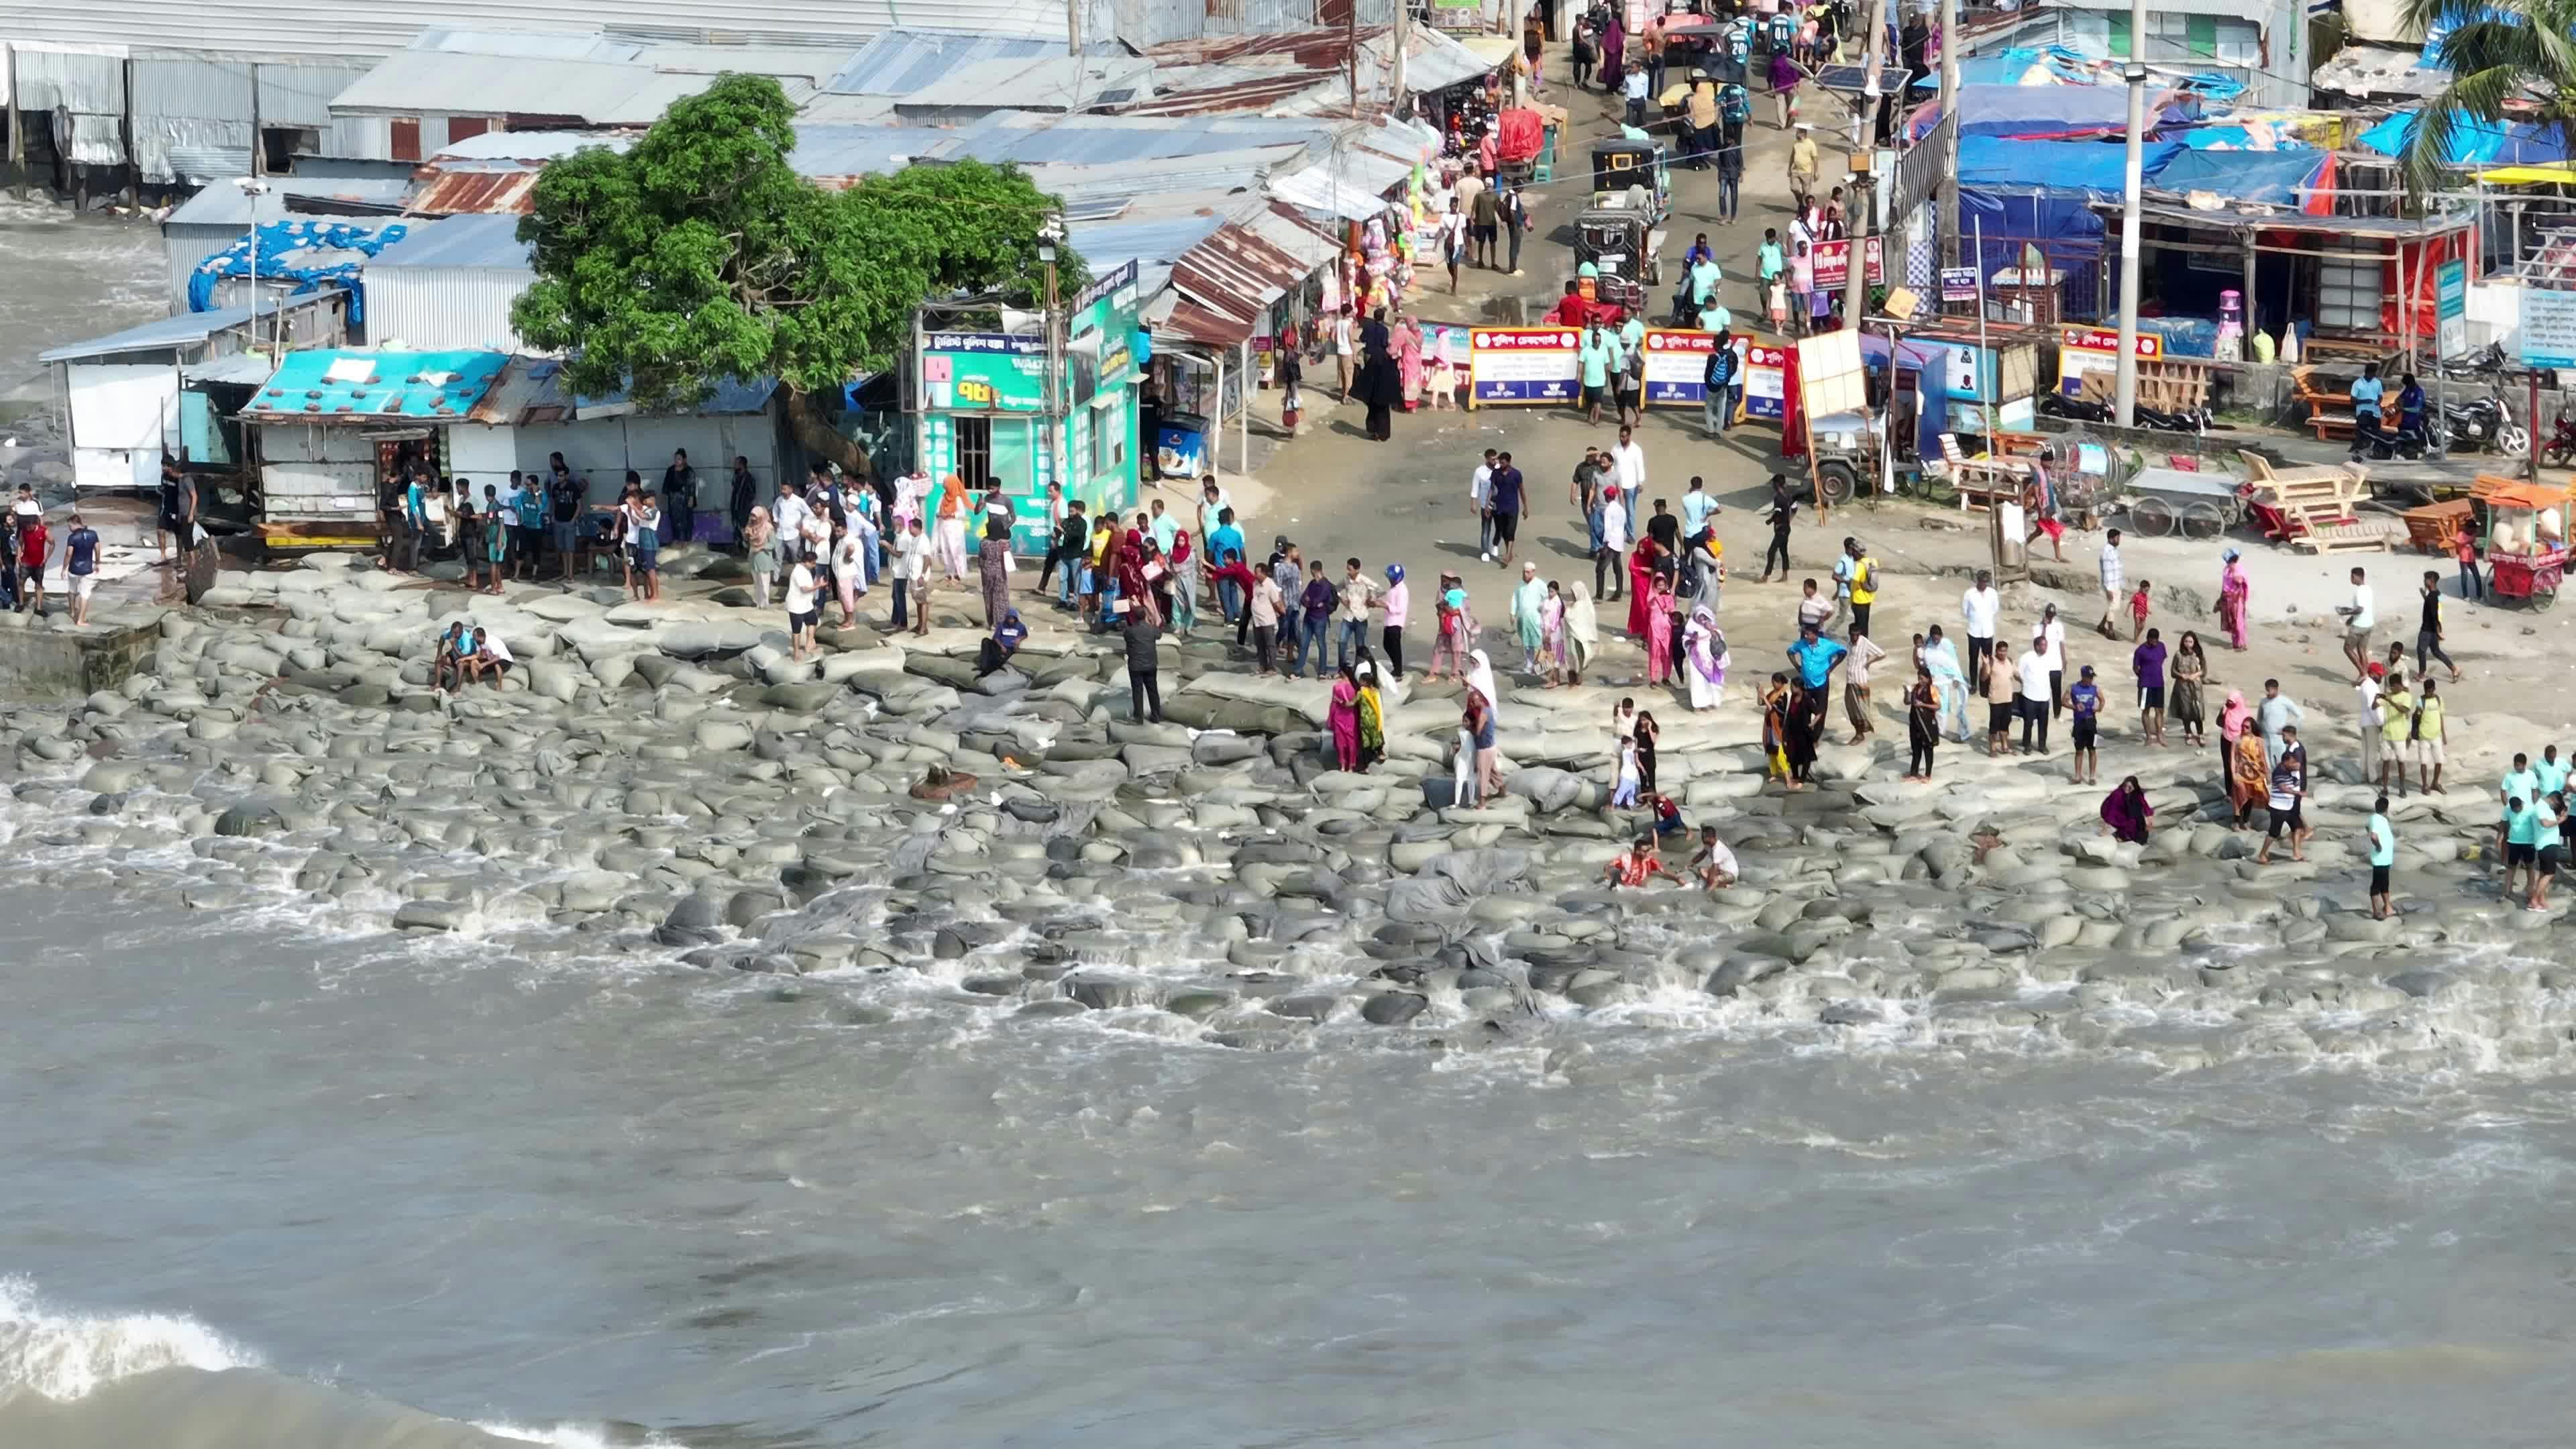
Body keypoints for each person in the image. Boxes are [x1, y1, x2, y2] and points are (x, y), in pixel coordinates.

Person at [2256, 725, 2311, 863]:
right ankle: (2262, 854)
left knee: (2297, 828)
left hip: (2289, 806)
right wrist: (2299, 792)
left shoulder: (2290, 762)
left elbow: (2297, 771)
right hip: (2279, 808)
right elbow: (2283, 788)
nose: (2297, 765)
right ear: (2286, 762)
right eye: (2293, 763)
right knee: (2274, 833)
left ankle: (2297, 854)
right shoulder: (2280, 772)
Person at [2222, 692, 2264, 827]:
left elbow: (2262, 757)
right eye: (2243, 727)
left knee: (2250, 797)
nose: (2244, 729)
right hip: (2240, 772)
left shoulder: (2258, 741)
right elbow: (2232, 758)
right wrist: (2234, 774)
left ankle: (2246, 820)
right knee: (2238, 796)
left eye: (2247, 727)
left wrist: (2265, 773)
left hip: (2253, 773)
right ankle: (2236, 821)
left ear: (2252, 728)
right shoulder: (2236, 740)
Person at [2416, 570, 2463, 681]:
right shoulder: (2437, 594)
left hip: (2427, 629)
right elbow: (2436, 609)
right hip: (2433, 629)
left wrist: (2438, 631)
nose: (2424, 581)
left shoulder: (2432, 597)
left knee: (2421, 650)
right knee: (2436, 652)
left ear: (2431, 581)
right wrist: (2425, 596)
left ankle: (2422, 674)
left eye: (2426, 579)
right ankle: (2454, 669)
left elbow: (2434, 614)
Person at [1959, 569, 2000, 692]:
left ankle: (1985, 684)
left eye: (1986, 582)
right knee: (1973, 659)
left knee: (1987, 661)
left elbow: (1995, 609)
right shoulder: (1969, 594)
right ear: (1978, 580)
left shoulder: (1992, 593)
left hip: (1988, 632)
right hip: (1974, 632)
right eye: (1982, 581)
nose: (1983, 584)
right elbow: (1965, 611)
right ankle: (1973, 684)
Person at [1122, 606, 1164, 724]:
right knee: (1153, 690)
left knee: (1137, 691)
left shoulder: (1130, 631)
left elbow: (1125, 636)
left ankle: (1139, 717)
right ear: (1145, 616)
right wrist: (1152, 622)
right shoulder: (1151, 629)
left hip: (1135, 666)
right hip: (1151, 665)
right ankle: (1156, 716)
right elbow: (1159, 635)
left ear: (1134, 618)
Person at [1842, 632, 1886, 743]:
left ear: (1859, 634)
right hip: (1850, 680)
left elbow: (1881, 654)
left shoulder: (1864, 642)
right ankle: (1860, 730)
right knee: (1851, 708)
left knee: (1860, 709)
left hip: (1860, 682)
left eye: (1856, 635)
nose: (1854, 638)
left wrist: (1868, 662)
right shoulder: (1850, 643)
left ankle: (1860, 734)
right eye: (1852, 635)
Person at [2377, 672, 2414, 798]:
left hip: (2399, 736)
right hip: (2387, 735)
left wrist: (2390, 700)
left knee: (2401, 763)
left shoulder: (2406, 696)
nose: (2391, 688)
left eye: (2393, 686)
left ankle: (2402, 788)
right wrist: (2376, 698)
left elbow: (2403, 710)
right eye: (2390, 686)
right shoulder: (2388, 696)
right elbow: (2374, 706)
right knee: (2386, 762)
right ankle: (2385, 788)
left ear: (2400, 685)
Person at [2335, 565, 2375, 681]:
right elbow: (2364, 608)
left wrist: (2345, 612)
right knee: (2361, 650)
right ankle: (2366, 675)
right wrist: (2351, 618)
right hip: (2369, 625)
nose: (2351, 579)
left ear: (2355, 576)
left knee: (2347, 649)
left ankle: (2363, 673)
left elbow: (2360, 609)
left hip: (2359, 626)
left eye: (2351, 576)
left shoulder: (2359, 592)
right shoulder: (2368, 588)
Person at [2014, 633, 2052, 754]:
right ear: (2036, 646)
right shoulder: (2027, 657)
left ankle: (2042, 746)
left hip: (2044, 697)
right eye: (2043, 645)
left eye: (2046, 645)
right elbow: (2018, 674)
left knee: (2043, 723)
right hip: (2029, 696)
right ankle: (2027, 745)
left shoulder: (2048, 658)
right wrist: (2025, 684)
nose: (2045, 647)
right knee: (2028, 722)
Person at [1684, 607, 1727, 710]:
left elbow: (1720, 643)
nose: (1703, 619)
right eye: (1700, 617)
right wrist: (1691, 641)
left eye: (1705, 617)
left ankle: (1710, 702)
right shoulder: (1691, 626)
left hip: (1710, 657)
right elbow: (1685, 639)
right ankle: (1698, 705)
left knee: (1710, 682)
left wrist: (1712, 631)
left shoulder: (1713, 627)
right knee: (1697, 681)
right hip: (1696, 657)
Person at [2132, 628, 2169, 747]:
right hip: (2144, 686)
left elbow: (2162, 659)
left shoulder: (2161, 646)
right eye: (2153, 639)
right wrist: (2143, 676)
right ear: (2148, 638)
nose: (2155, 642)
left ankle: (2159, 735)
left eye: (2156, 639)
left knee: (2160, 710)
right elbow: (2135, 668)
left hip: (2159, 684)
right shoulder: (2140, 651)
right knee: (2145, 710)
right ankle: (2148, 736)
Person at [1488, 451, 1525, 567]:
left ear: (1509, 462)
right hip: (1499, 507)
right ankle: (1509, 553)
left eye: (1503, 462)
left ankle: (1507, 555)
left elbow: (1522, 491)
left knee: (1511, 530)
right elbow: (1491, 489)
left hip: (1513, 507)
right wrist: (1487, 505)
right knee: (1503, 531)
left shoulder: (1516, 474)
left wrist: (1526, 507)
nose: (1501, 464)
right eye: (1500, 462)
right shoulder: (1495, 473)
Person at [2171, 631, 2208, 747]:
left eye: (2191, 642)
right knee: (2185, 711)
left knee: (2198, 710)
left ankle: (2200, 734)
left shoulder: (2199, 654)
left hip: (2196, 687)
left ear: (2194, 643)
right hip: (2182, 687)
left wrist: (2195, 675)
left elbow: (2205, 670)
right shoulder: (2178, 654)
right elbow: (2173, 671)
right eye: (2186, 641)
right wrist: (2182, 676)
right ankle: (2188, 733)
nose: (2188, 644)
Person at [893, 517, 929, 635]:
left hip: (919, 575)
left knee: (922, 601)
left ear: (916, 527)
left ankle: (924, 628)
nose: (909, 530)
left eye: (911, 527)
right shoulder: (914, 539)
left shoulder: (924, 540)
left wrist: (922, 576)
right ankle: (919, 625)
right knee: (917, 601)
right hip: (913, 575)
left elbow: (927, 559)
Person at [2068, 664, 2104, 784]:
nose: (2091, 680)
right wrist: (2074, 706)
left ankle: (2092, 777)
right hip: (2079, 723)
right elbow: (2063, 701)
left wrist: (2098, 709)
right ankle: (2078, 776)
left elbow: (2102, 700)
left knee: (2092, 750)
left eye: (2092, 677)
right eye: (2089, 677)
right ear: (2083, 676)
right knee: (2079, 750)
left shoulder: (2095, 688)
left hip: (2091, 723)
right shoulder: (2073, 688)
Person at [1902, 664, 1940, 781]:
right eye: (1919, 678)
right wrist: (1907, 693)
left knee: (1928, 748)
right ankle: (1914, 773)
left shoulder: (1933, 690)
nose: (1920, 681)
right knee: (1916, 748)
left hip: (1927, 723)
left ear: (1928, 679)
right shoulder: (1915, 687)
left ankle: (1928, 775)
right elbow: (1907, 702)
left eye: (1922, 679)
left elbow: (1938, 706)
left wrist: (1923, 705)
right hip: (1915, 723)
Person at [1595, 484, 1630, 602]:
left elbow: (1608, 528)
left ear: (1606, 497)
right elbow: (1624, 525)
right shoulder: (1621, 509)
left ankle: (1599, 595)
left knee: (1600, 569)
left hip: (1611, 543)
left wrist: (1605, 544)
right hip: (1619, 542)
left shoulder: (1609, 510)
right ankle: (1618, 593)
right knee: (1617, 568)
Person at [2412, 677, 2449, 793]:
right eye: (2427, 691)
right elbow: (2416, 718)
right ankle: (2424, 786)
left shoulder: (2439, 699)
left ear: (2434, 689)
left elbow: (2441, 716)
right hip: (2424, 737)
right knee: (2424, 762)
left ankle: (2435, 783)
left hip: (2436, 736)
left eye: (2430, 691)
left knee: (2439, 761)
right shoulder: (2420, 701)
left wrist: (2444, 734)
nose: (2428, 693)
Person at [2256, 678, 2303, 767]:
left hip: (2279, 740)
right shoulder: (2263, 702)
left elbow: (2300, 716)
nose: (2269, 692)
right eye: (2267, 690)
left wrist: (2288, 731)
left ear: (2276, 689)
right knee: (2267, 766)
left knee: (2282, 766)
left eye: (2270, 690)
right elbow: (2259, 720)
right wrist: (2260, 734)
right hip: (2266, 740)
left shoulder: (2284, 701)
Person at [1510, 561, 1547, 674]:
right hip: (1523, 619)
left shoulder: (1540, 584)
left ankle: (1541, 666)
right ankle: (1529, 664)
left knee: (1537, 643)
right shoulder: (1520, 585)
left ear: (1533, 572)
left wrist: (1542, 608)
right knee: (1526, 644)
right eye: (1524, 572)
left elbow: (1547, 598)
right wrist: (1512, 613)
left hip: (1535, 619)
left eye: (1528, 572)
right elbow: (1515, 598)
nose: (1525, 574)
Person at [784, 551, 820, 663]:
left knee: (813, 621)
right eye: (813, 563)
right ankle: (796, 652)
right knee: (797, 630)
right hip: (796, 606)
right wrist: (819, 585)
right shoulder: (798, 572)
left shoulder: (806, 570)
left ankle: (810, 643)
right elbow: (804, 589)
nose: (814, 566)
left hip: (807, 604)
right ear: (806, 562)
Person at [1643, 570, 1678, 684]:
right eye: (1658, 585)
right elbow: (1649, 603)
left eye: (1662, 585)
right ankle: (1653, 679)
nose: (1660, 587)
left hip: (1667, 629)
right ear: (1654, 586)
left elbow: (1672, 610)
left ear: (1666, 585)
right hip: (1654, 629)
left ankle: (1666, 677)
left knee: (1668, 653)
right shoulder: (1652, 597)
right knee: (1654, 653)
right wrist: (1658, 597)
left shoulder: (1670, 598)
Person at [2366, 796, 2398, 919]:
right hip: (2380, 859)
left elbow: (2369, 829)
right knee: (2376, 886)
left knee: (2385, 885)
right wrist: (2378, 846)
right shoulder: (2377, 819)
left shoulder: (2379, 819)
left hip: (2385, 859)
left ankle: (2388, 908)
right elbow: (2373, 836)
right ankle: (2376, 911)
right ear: (2387, 809)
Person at [2346, 361, 2385, 461]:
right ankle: (2355, 452)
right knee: (2363, 433)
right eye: (2374, 373)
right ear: (2369, 373)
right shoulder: (2358, 383)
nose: (2375, 375)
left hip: (2375, 413)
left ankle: (2375, 453)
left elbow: (2380, 396)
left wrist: (2379, 401)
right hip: (2363, 412)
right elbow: (2352, 401)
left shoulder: (2378, 383)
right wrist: (2365, 401)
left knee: (2376, 434)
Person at [1605, 835, 1678, 888]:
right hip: (1625, 886)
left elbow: (1664, 872)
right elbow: (1607, 866)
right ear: (1637, 851)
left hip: (1640, 885)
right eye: (1645, 851)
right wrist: (1607, 876)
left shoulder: (1650, 861)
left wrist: (1677, 878)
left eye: (1648, 850)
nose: (1648, 853)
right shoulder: (1626, 859)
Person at [1565, 580, 1600, 687]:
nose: (1572, 595)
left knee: (1577, 658)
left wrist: (1567, 609)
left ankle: (1577, 679)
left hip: (1577, 637)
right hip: (1583, 636)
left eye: (1573, 592)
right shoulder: (1587, 604)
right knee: (1579, 659)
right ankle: (1578, 678)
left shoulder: (1578, 605)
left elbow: (1570, 617)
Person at [659, 449, 696, 547]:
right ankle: (676, 540)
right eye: (676, 459)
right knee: (674, 520)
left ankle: (686, 542)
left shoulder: (689, 471)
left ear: (684, 459)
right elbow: (666, 484)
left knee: (686, 521)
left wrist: (691, 498)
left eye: (679, 459)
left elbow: (692, 485)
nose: (677, 461)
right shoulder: (670, 470)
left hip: (685, 500)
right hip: (673, 501)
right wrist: (663, 497)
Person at [2100, 776, 2153, 845]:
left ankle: (2130, 836)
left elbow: (2144, 804)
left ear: (2135, 787)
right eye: (2125, 786)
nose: (2127, 788)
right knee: (2131, 824)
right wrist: (2106, 825)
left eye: (2130, 787)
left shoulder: (2137, 793)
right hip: (2113, 812)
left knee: (2141, 827)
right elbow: (2111, 809)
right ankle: (2121, 836)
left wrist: (2149, 819)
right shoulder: (2118, 794)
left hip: (2126, 812)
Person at [978, 607, 1029, 678]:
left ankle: (986, 671)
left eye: (1012, 618)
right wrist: (1002, 646)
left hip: (1009, 649)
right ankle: (983, 666)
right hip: (1000, 646)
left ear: (1016, 619)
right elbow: (996, 638)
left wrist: (1019, 639)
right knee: (985, 641)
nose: (1010, 620)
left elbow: (1025, 635)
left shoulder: (1021, 627)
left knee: (999, 659)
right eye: (1009, 618)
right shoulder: (1002, 625)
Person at [2094, 527, 2127, 637]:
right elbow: (2107, 571)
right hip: (2111, 585)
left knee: (2112, 607)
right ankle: (2110, 631)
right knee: (2112, 608)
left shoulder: (2114, 550)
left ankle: (2101, 626)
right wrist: (2108, 590)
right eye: (2118, 538)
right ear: (2112, 539)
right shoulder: (2107, 552)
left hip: (2116, 584)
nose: (2119, 540)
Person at [2218, 547, 2251, 650]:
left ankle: (2242, 643)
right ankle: (2235, 643)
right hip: (2228, 599)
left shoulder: (2239, 569)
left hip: (2237, 599)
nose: (2228, 563)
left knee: (2239, 621)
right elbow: (2224, 585)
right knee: (2232, 621)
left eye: (2229, 561)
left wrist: (2233, 572)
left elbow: (2240, 581)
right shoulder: (2225, 569)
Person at [1690, 826, 1739, 891]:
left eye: (1704, 837)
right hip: (1720, 871)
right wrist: (1691, 863)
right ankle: (1724, 886)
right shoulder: (1708, 845)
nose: (1702, 839)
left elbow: (1715, 868)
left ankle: (1707, 893)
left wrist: (1710, 882)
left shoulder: (1717, 849)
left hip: (1730, 874)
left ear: (1710, 838)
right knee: (1702, 870)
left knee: (1715, 879)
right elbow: (1701, 855)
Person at [2454, 517, 2484, 600]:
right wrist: (2469, 541)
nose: (2472, 532)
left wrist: (2478, 525)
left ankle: (2479, 595)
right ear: (2467, 528)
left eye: (2474, 530)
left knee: (2477, 577)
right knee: (2465, 577)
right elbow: (2458, 543)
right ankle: (2465, 595)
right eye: (2471, 530)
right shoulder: (2461, 534)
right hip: (2464, 560)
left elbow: (2479, 532)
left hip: (2472, 559)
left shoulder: (2473, 534)